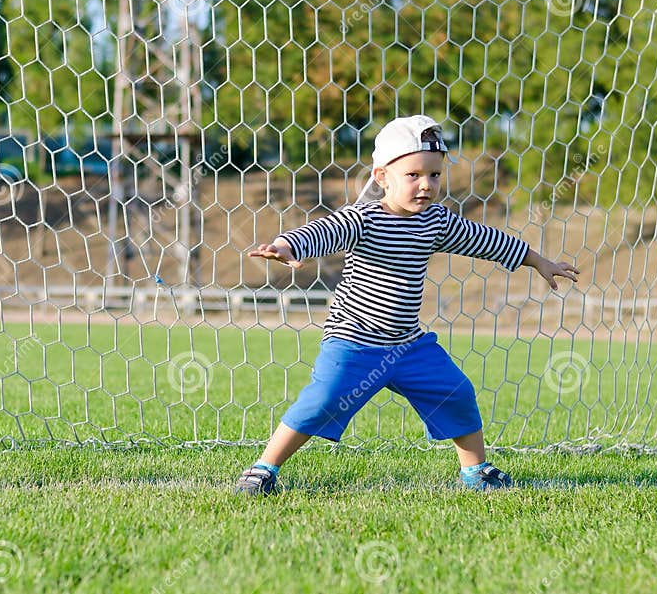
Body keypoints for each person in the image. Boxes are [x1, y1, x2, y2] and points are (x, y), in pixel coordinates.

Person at [236, 115, 580, 494]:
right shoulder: (363, 219)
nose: (426, 185)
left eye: (434, 175)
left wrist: (538, 261)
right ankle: (263, 469)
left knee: (457, 393)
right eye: (413, 175)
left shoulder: (435, 221)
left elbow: (485, 239)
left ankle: (476, 471)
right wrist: (286, 248)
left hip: (407, 345)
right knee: (322, 401)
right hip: (355, 342)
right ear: (382, 177)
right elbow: (322, 232)